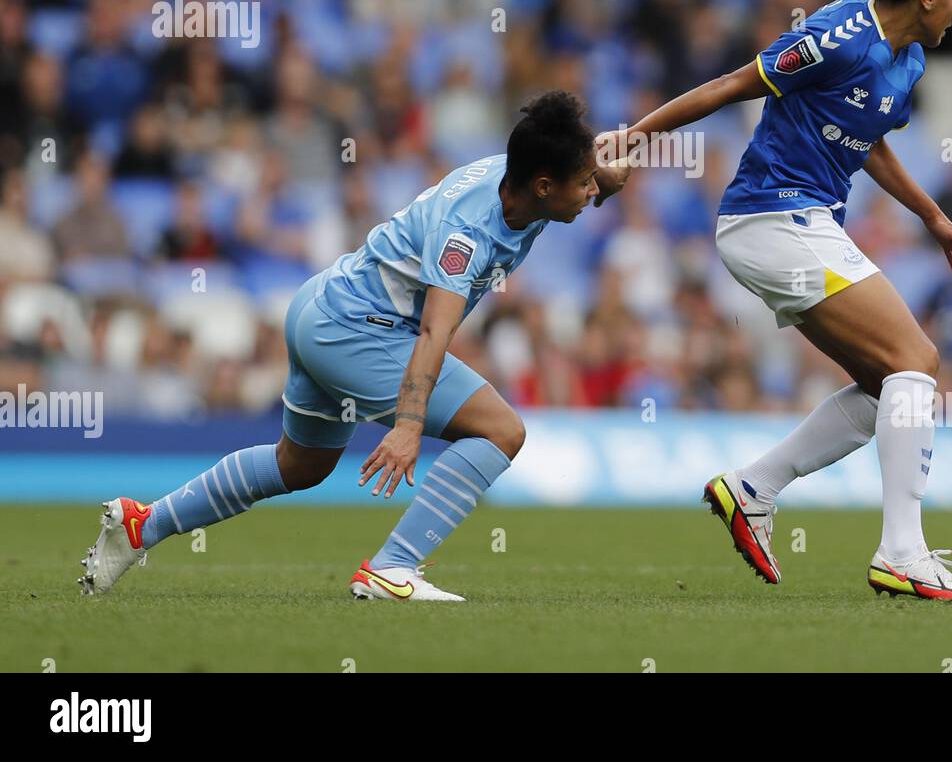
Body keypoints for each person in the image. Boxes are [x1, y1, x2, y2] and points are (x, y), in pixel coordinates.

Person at [599, 0, 952, 601]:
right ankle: (903, 550)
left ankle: (755, 486)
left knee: (887, 386)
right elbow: (731, 85)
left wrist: (932, 216)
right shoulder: (839, 34)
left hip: (807, 221)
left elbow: (866, 137)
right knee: (917, 360)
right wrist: (634, 136)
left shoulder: (908, 61)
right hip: (768, 217)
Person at [80, 93, 627, 603]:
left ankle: (140, 525)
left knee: (299, 466)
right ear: (544, 186)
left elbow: (616, 152)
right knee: (503, 430)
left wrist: (697, 102)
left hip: (320, 307)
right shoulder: (468, 232)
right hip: (356, 330)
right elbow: (435, 332)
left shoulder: (521, 173)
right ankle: (393, 567)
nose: (592, 193)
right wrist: (409, 426)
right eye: (583, 184)